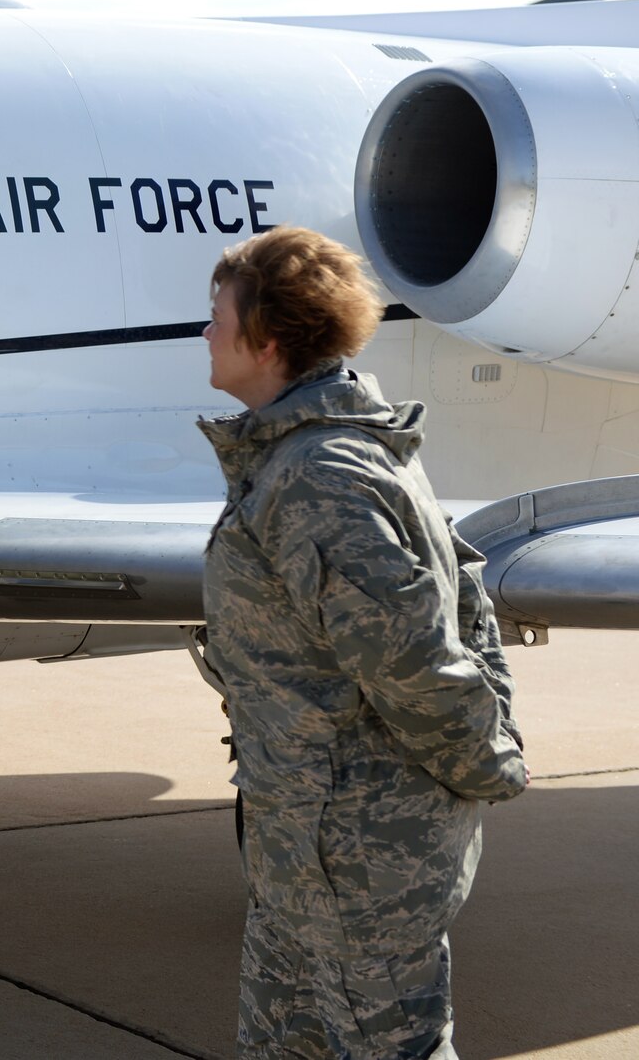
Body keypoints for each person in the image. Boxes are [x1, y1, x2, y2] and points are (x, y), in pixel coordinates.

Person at [197, 225, 528, 1060]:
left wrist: (487, 763)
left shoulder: (321, 477)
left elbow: (416, 660)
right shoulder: (306, 455)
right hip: (303, 847)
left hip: (358, 855)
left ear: (266, 340)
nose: (204, 333)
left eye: (217, 315)